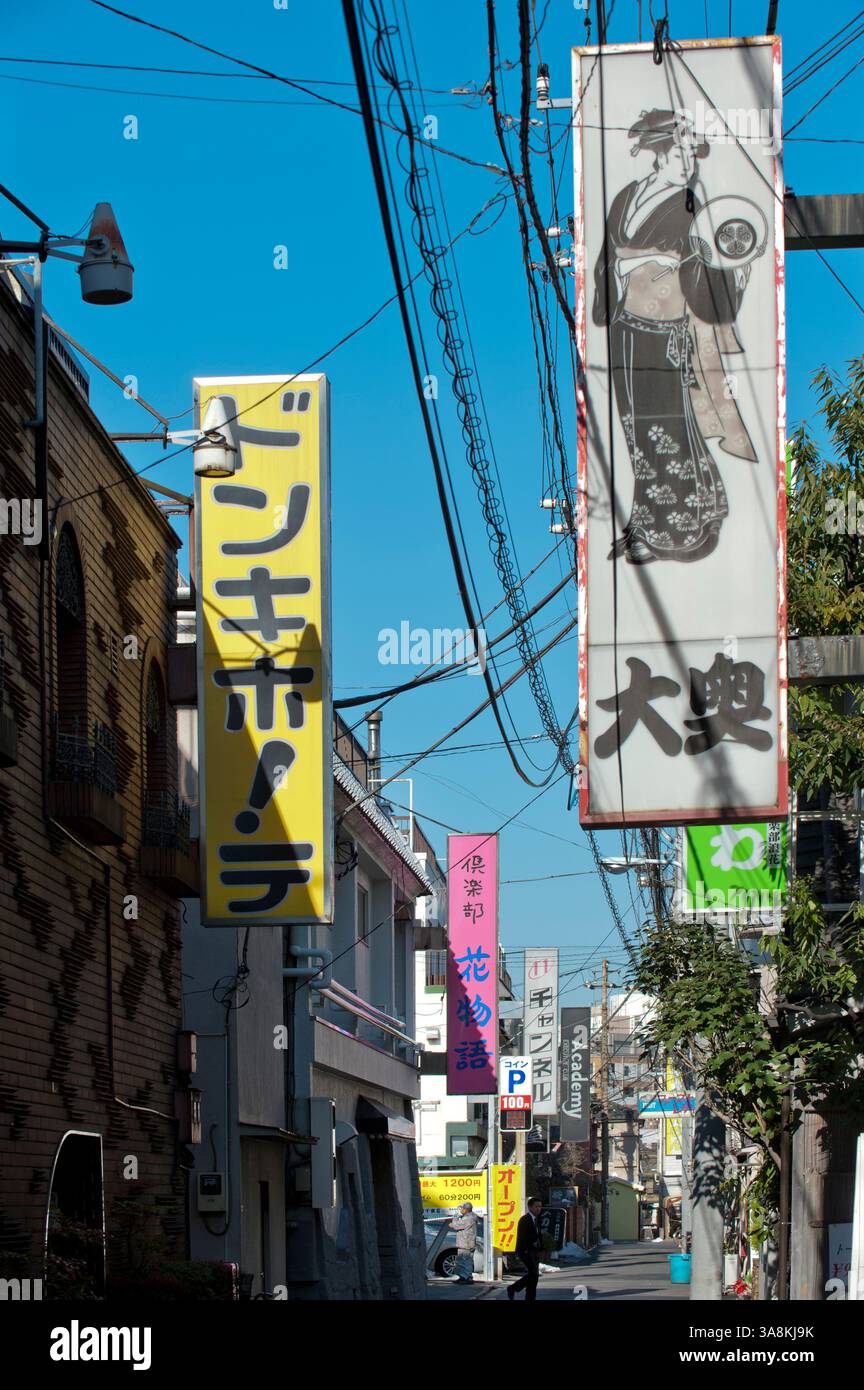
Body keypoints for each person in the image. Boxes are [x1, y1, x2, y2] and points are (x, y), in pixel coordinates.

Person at [593, 108, 757, 566]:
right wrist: (626, 267)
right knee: (635, 431)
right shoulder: (625, 197)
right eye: (684, 148)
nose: (692, 158)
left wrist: (732, 271)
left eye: (694, 151)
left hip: (664, 334)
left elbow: (702, 282)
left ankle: (674, 530)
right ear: (659, 153)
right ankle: (647, 520)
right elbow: (606, 262)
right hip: (625, 332)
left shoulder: (691, 210)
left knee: (667, 429)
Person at [507, 1197, 543, 1301]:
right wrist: (530, 1246)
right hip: (526, 1251)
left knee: (534, 1277)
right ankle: (513, 1288)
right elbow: (522, 1237)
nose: (538, 1209)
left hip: (535, 1251)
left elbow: (538, 1235)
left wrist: (541, 1248)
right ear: (530, 1207)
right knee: (533, 1273)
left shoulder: (536, 1219)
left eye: (540, 1206)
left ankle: (530, 1297)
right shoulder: (524, 1220)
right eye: (536, 1206)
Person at [449, 1202, 477, 1284]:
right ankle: (462, 1277)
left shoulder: (468, 1218)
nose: (461, 1210)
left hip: (466, 1243)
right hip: (465, 1242)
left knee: (466, 1261)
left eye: (462, 1208)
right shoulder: (470, 1216)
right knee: (462, 1261)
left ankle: (467, 1278)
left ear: (466, 1210)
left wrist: (454, 1219)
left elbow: (455, 1225)